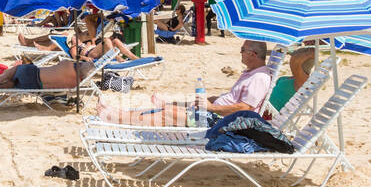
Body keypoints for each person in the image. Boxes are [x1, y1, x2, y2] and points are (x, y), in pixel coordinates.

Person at [95, 40, 273, 126]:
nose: (240, 52)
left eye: (243, 50)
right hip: (217, 114)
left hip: (223, 122)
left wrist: (212, 108)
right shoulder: (251, 74)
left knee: (168, 114)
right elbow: (235, 100)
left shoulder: (259, 78)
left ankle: (114, 118)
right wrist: (211, 101)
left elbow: (246, 108)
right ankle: (117, 112)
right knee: (169, 109)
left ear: (253, 55)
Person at [267, 46, 316, 112]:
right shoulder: (297, 78)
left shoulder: (302, 81)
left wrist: (309, 53)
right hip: (265, 108)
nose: (291, 59)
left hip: (270, 114)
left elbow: (295, 60)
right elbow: (296, 61)